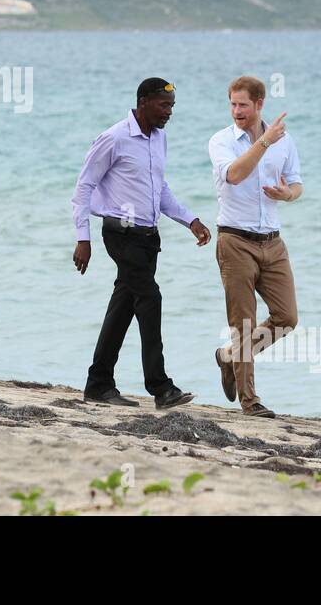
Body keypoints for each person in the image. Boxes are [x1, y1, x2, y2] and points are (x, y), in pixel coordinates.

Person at [72, 77, 211, 409]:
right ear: (144, 101)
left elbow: (159, 190)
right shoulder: (114, 138)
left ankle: (98, 383)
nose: (169, 112)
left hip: (149, 239)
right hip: (120, 234)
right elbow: (83, 187)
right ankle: (161, 387)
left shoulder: (159, 139)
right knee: (150, 299)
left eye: (173, 106)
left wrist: (190, 220)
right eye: (165, 105)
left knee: (123, 307)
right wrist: (83, 238)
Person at [207, 75, 303, 418]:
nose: (236, 111)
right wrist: (263, 141)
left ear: (259, 104)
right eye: (232, 104)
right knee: (243, 325)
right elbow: (234, 175)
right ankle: (250, 401)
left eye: (243, 105)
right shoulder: (221, 141)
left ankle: (228, 356)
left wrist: (287, 194)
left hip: (273, 243)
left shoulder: (284, 141)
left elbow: (296, 184)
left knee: (287, 317)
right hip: (234, 240)